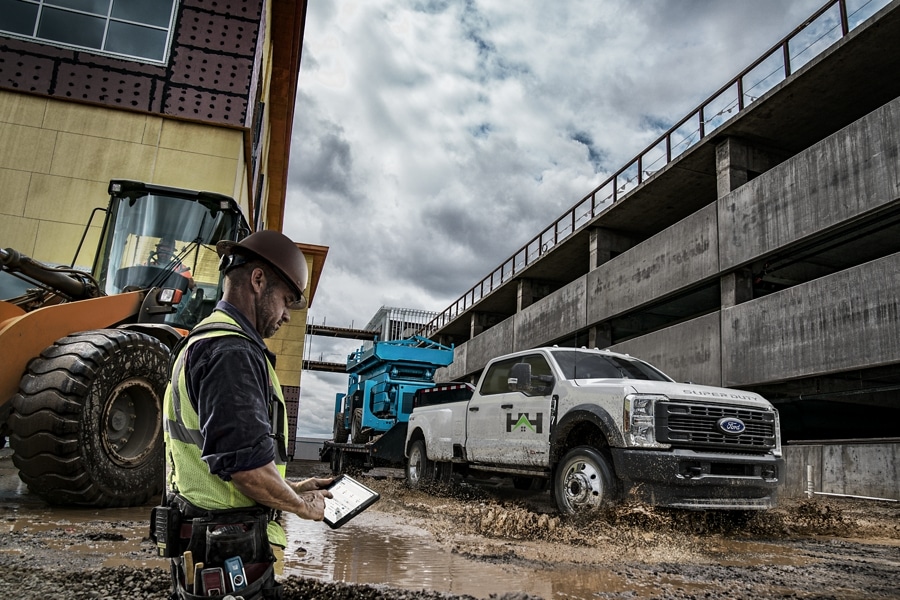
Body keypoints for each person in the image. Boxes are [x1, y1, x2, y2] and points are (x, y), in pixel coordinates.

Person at [161, 230, 332, 600]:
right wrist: (301, 506)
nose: (287, 315)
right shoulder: (231, 353)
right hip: (228, 551)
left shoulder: (202, 340)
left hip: (207, 543)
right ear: (258, 280)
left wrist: (291, 487)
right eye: (286, 300)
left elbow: (225, 460)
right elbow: (248, 472)